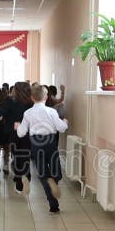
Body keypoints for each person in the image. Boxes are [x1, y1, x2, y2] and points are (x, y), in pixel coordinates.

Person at [16, 84, 68, 214]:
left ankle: (53, 205)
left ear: (32, 98)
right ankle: (53, 180)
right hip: (50, 143)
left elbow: (21, 133)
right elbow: (61, 128)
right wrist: (65, 122)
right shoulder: (51, 111)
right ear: (46, 97)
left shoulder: (27, 113)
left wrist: (18, 127)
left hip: (36, 145)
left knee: (44, 175)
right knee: (57, 173)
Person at [3, 81, 34, 194]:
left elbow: (3, 114)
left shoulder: (11, 102)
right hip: (28, 133)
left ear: (17, 91)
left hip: (14, 133)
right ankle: (26, 176)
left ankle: (19, 181)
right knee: (26, 156)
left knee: (17, 157)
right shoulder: (31, 104)